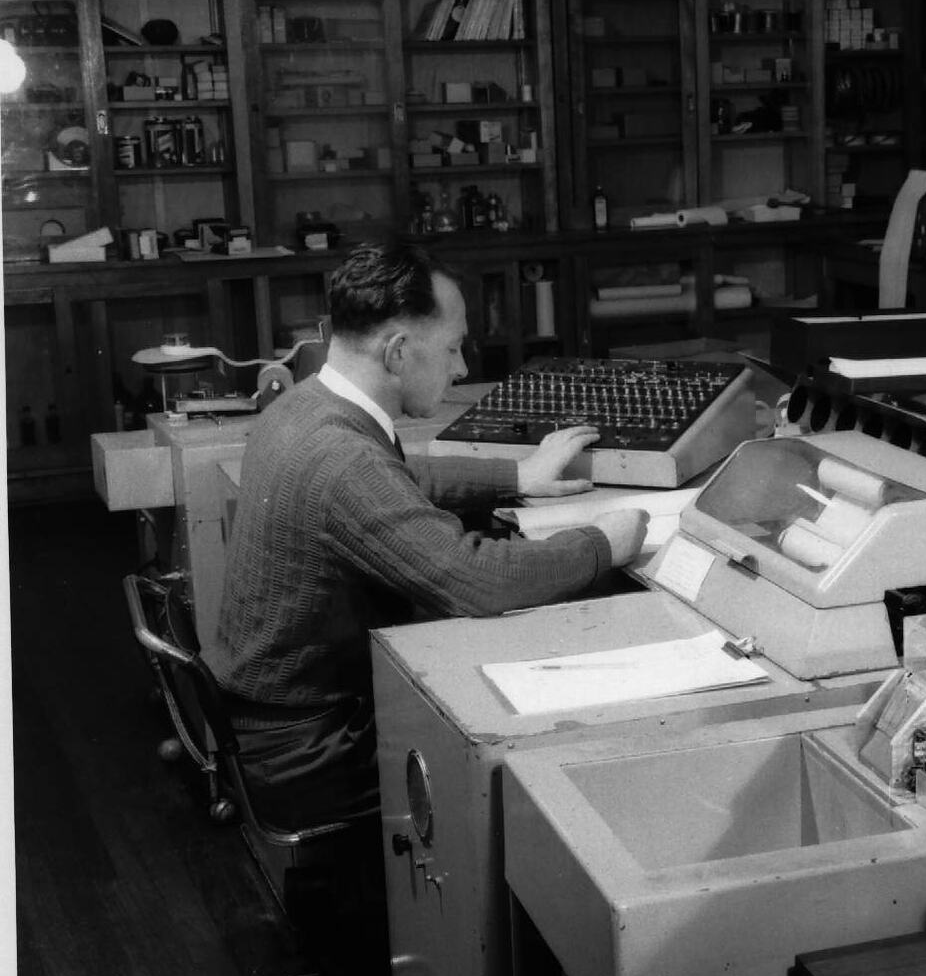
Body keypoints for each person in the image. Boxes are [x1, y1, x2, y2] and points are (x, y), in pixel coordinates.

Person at [209, 239, 648, 832]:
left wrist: (518, 475)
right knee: (548, 775)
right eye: (452, 348)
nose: (462, 368)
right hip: (313, 756)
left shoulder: (305, 408)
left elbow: (396, 476)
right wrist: (604, 544)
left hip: (273, 725)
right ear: (397, 352)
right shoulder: (340, 457)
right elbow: (474, 580)